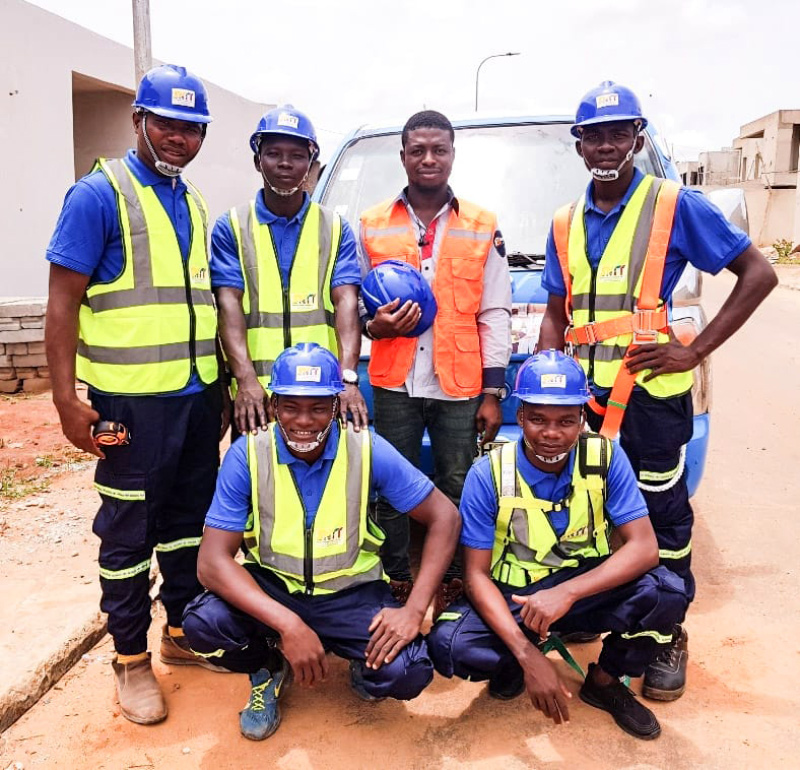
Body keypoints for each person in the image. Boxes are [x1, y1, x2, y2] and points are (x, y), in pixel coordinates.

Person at [537, 81, 777, 700]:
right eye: (595, 135)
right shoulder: (564, 222)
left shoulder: (675, 204)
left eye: (620, 133)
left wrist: (695, 350)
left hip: (649, 399)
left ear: (638, 139)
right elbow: (557, 311)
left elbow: (760, 272)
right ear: (580, 145)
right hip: (583, 401)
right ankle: (621, 622)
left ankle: (670, 632)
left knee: (663, 520)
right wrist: (542, 377)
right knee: (599, 516)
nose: (608, 145)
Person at [45, 64, 229, 725]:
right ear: (139, 122)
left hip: (194, 398)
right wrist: (66, 399)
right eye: (168, 125)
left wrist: (222, 387)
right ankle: (129, 659)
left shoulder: (193, 200)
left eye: (193, 129)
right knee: (128, 533)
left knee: (187, 525)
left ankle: (180, 633)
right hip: (128, 406)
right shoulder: (98, 195)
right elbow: (62, 302)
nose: (180, 138)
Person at [182, 342, 460, 741]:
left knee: (409, 670)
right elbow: (211, 562)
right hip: (276, 590)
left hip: (350, 594)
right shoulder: (247, 455)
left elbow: (444, 518)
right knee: (203, 625)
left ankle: (363, 665)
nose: (304, 421)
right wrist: (288, 624)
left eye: (318, 407)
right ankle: (268, 668)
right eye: (291, 406)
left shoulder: (366, 449)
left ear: (337, 405)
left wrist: (414, 610)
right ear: (273, 404)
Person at [428, 350, 688, 740]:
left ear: (583, 419)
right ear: (520, 418)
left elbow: (644, 548)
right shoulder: (488, 474)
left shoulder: (605, 457)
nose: (551, 433)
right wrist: (526, 654)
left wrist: (567, 593)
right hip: (518, 598)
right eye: (538, 419)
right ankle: (518, 659)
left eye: (566, 420)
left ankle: (603, 681)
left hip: (583, 590)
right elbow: (476, 576)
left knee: (667, 592)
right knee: (449, 644)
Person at [358, 110, 511, 615]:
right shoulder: (372, 224)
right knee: (389, 484)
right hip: (395, 381)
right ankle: (395, 577)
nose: (428, 159)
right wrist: (370, 327)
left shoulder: (482, 224)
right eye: (417, 149)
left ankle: (450, 581)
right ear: (402, 155)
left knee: (458, 483)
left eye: (438, 149)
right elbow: (352, 304)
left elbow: (493, 311)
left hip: (459, 383)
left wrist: (493, 391)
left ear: (451, 155)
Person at [211, 105, 367, 435]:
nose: (285, 163)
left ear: (311, 164)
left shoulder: (335, 228)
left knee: (322, 484)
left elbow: (347, 305)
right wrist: (246, 381)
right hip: (258, 397)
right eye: (273, 153)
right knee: (258, 484)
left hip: (321, 397)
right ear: (257, 161)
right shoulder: (233, 227)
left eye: (297, 155)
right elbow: (228, 305)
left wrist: (348, 379)